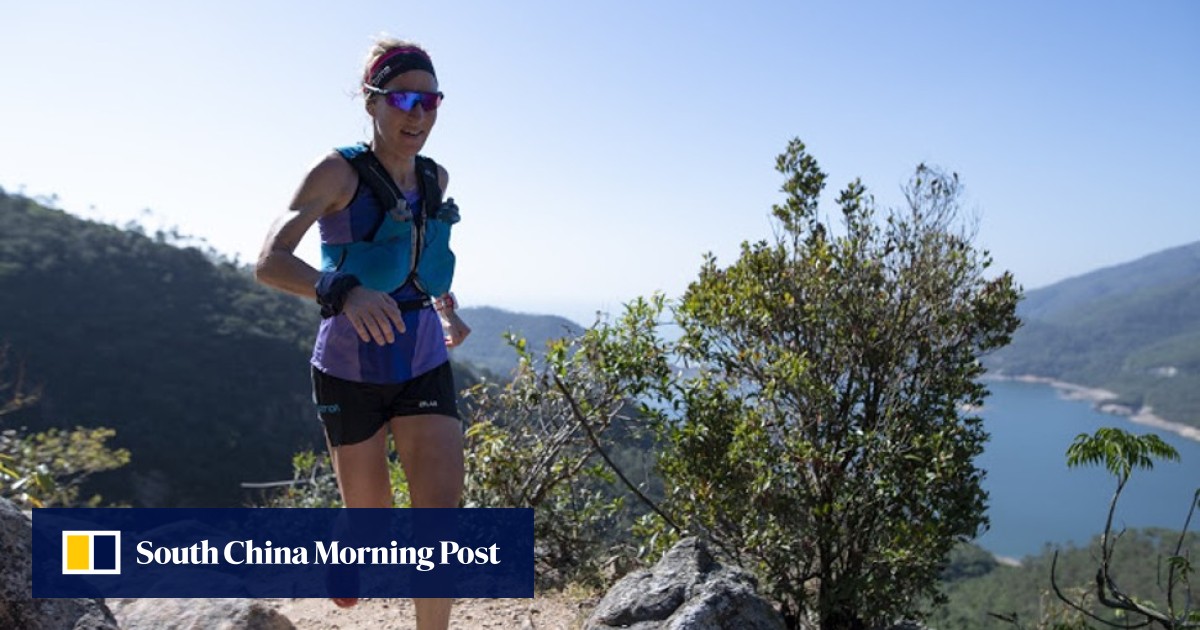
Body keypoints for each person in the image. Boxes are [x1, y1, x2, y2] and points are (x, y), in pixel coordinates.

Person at [255, 37, 470, 630]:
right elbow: (269, 261)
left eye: (431, 101)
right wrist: (343, 291)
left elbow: (418, 256)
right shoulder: (335, 173)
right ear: (371, 101)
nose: (417, 113)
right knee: (372, 524)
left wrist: (446, 309)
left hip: (422, 358)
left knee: (439, 516)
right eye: (402, 98)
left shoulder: (433, 177)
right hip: (349, 369)